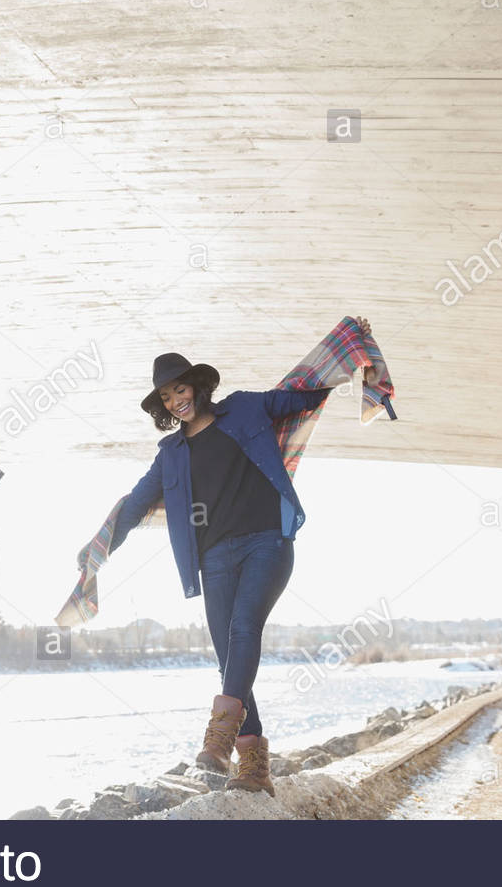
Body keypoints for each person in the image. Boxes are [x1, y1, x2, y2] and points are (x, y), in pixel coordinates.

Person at [107, 318, 370, 796]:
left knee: (244, 629)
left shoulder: (245, 410)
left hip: (266, 543)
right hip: (215, 560)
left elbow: (303, 396)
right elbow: (135, 503)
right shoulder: (170, 454)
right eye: (165, 398)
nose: (174, 401)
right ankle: (256, 771)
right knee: (230, 658)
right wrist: (100, 547)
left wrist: (345, 353)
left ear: (198, 386)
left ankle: (219, 739)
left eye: (179, 389)